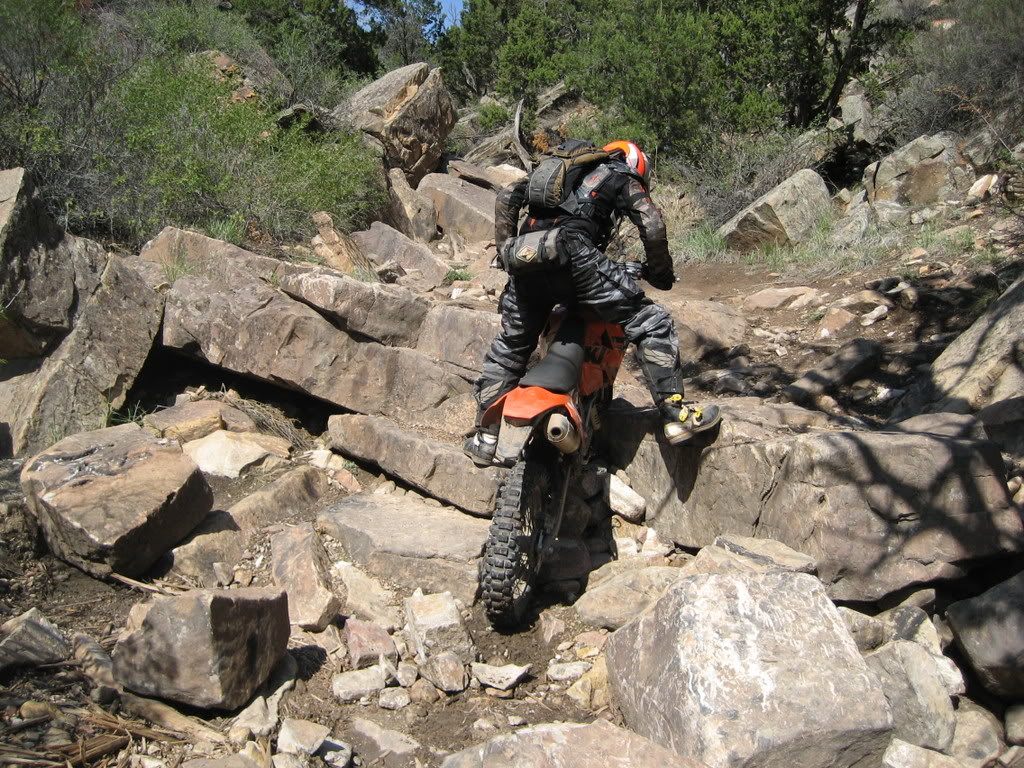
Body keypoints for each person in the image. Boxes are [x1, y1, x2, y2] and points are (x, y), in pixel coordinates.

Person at [463, 139, 721, 466]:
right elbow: (652, 225)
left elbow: (505, 198)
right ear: (637, 164)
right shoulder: (618, 173)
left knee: (512, 346)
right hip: (574, 258)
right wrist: (661, 274)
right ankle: (675, 415)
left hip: (524, 260)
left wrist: (505, 253)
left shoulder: (555, 172)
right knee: (652, 322)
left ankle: (485, 437)